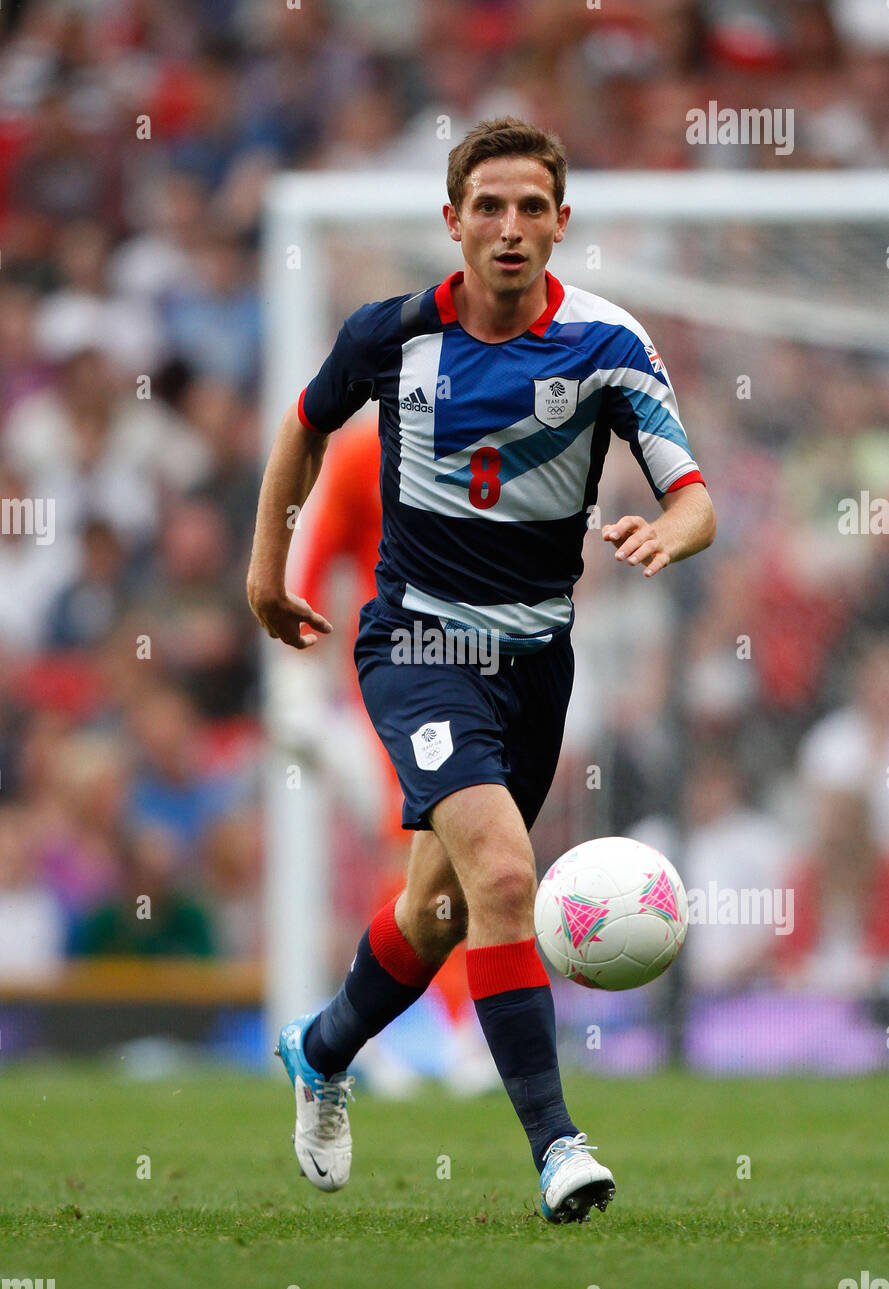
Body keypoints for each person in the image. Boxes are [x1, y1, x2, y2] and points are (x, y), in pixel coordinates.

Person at [247, 117, 715, 1223]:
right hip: (418, 642)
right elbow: (303, 429)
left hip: (534, 660)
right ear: (452, 222)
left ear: (562, 224)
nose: (510, 228)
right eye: (488, 207)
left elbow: (691, 493)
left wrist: (666, 532)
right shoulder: (389, 337)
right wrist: (267, 570)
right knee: (506, 878)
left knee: (441, 907)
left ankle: (318, 1052)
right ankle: (558, 1145)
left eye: (532, 208)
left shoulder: (608, 344)